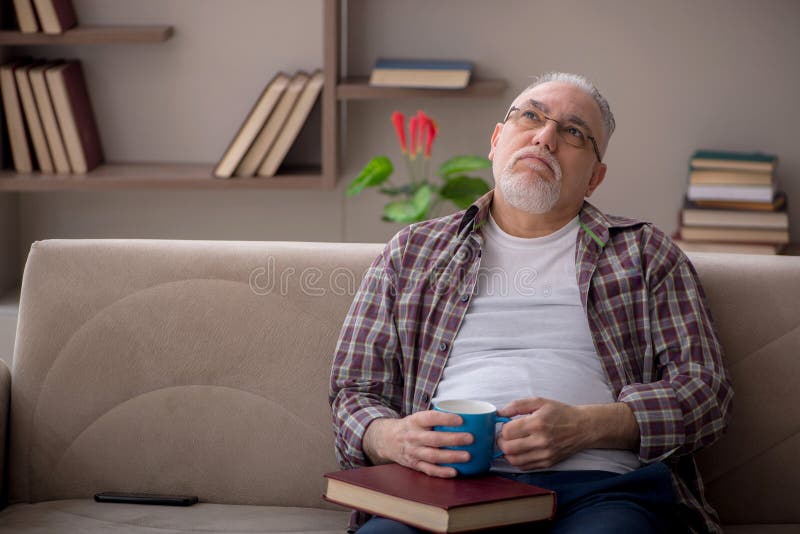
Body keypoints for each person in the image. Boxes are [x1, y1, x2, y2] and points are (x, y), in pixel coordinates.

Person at [329, 72, 733, 533]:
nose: (545, 138)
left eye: (574, 132)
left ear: (595, 178)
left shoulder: (644, 253)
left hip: (600, 490)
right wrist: (391, 438)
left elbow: (707, 393)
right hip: (444, 491)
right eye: (530, 117)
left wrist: (591, 426)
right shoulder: (413, 251)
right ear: (498, 140)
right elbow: (353, 391)